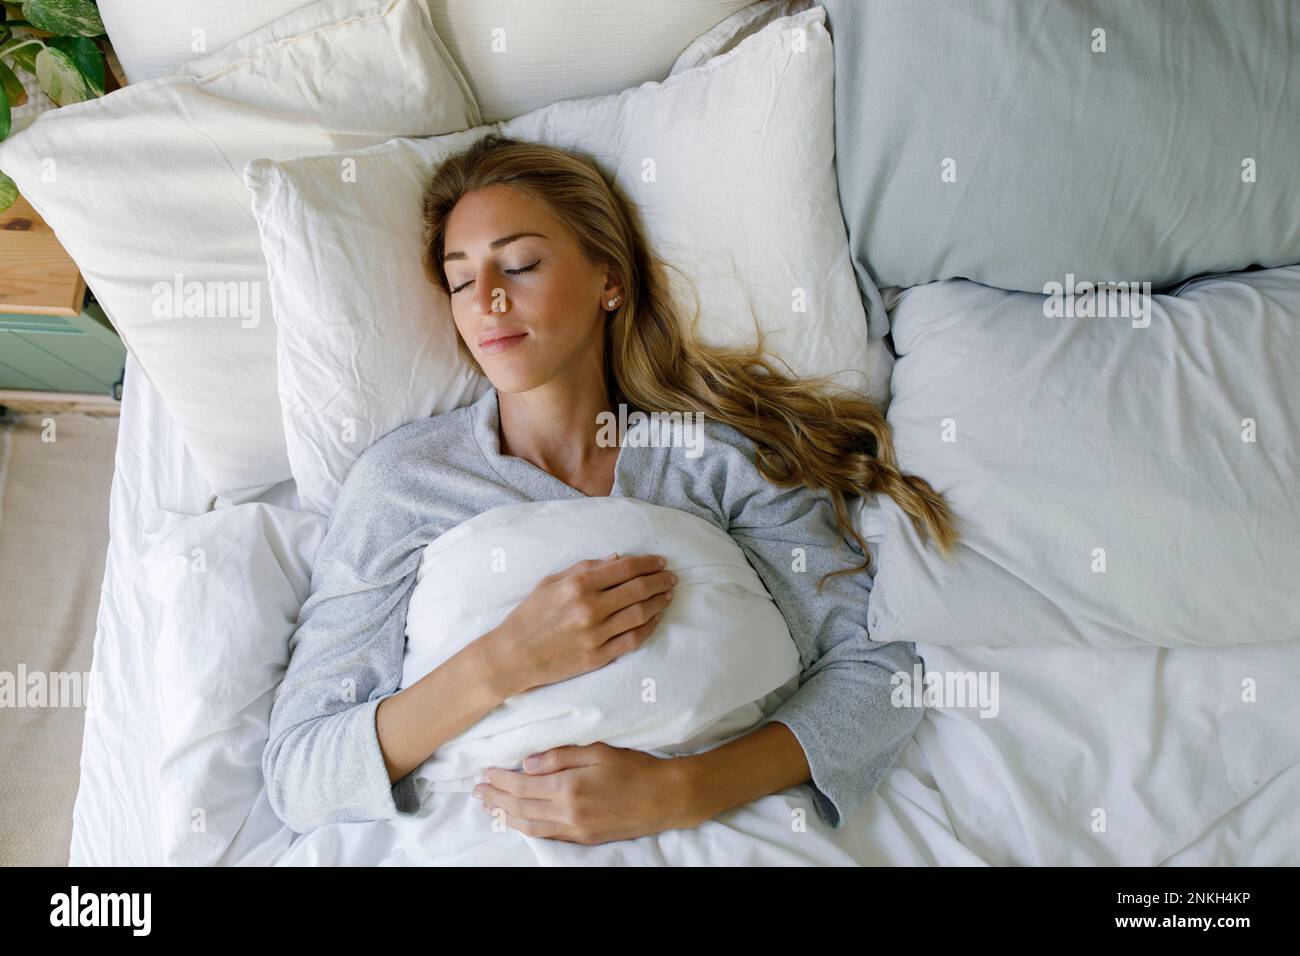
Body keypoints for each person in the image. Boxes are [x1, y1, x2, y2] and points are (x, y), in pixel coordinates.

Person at [262, 134, 957, 845]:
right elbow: (299, 771)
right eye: (462, 279)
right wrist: (505, 661)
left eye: (522, 263)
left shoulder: (716, 459)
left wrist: (685, 790)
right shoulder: (403, 485)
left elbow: (875, 675)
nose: (488, 301)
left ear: (609, 281)